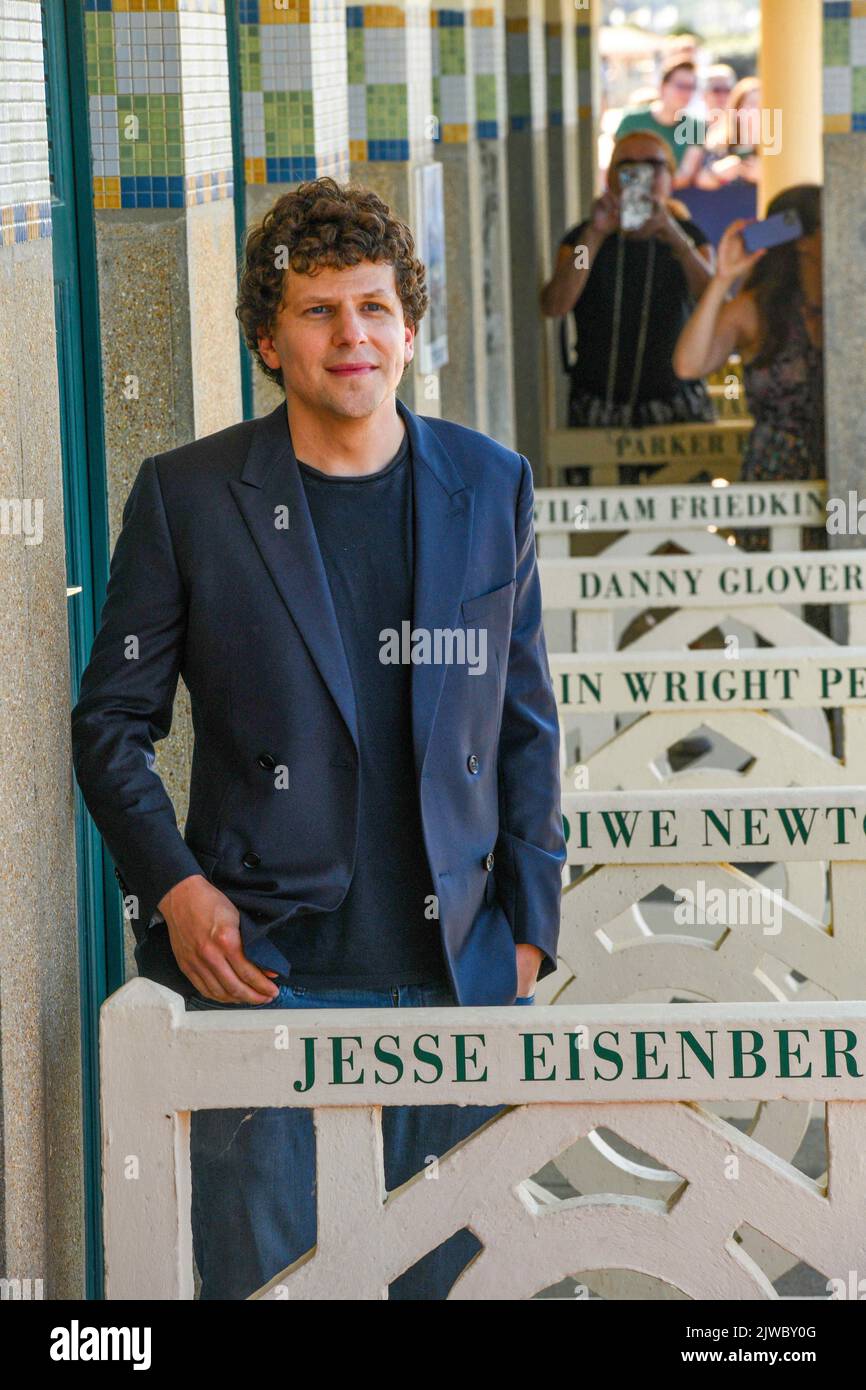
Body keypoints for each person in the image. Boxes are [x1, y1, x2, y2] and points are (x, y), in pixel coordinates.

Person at [70, 177, 566, 1299]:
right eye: (319, 311)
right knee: (272, 1288)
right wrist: (175, 888)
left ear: (408, 330)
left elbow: (527, 722)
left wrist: (529, 931)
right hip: (265, 976)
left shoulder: (489, 485)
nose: (353, 335)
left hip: (458, 981)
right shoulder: (189, 497)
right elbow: (111, 722)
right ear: (268, 340)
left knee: (450, 1287)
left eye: (375, 307)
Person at [541, 130, 715, 441]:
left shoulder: (688, 237)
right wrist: (595, 235)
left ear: (670, 177)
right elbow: (556, 303)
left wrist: (675, 238)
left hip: (676, 402)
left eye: (652, 165)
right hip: (599, 402)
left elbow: (712, 301)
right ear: (611, 178)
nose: (640, 174)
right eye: (627, 166)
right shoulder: (583, 240)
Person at [673, 184, 824, 488]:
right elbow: (689, 365)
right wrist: (723, 277)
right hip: (774, 482)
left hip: (847, 478)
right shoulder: (757, 310)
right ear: (804, 240)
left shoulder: (852, 305)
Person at [615, 59, 705, 187]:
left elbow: (683, 177)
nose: (686, 93)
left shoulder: (695, 127)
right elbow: (617, 166)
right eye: (680, 86)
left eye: (691, 87)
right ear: (663, 87)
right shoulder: (632, 120)